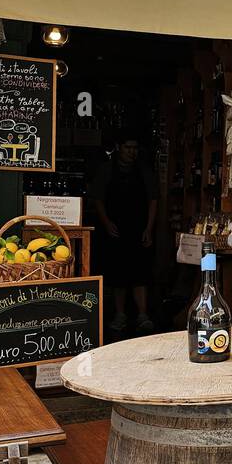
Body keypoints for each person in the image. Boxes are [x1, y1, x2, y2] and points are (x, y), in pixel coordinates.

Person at [90, 131, 158, 331]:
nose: (132, 152)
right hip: (115, 229)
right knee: (117, 273)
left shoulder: (144, 171)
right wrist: (106, 222)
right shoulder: (106, 170)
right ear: (119, 147)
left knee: (140, 272)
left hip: (138, 228)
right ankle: (120, 315)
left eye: (135, 148)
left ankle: (142, 315)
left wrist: (149, 228)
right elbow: (98, 199)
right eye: (128, 147)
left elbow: (153, 199)